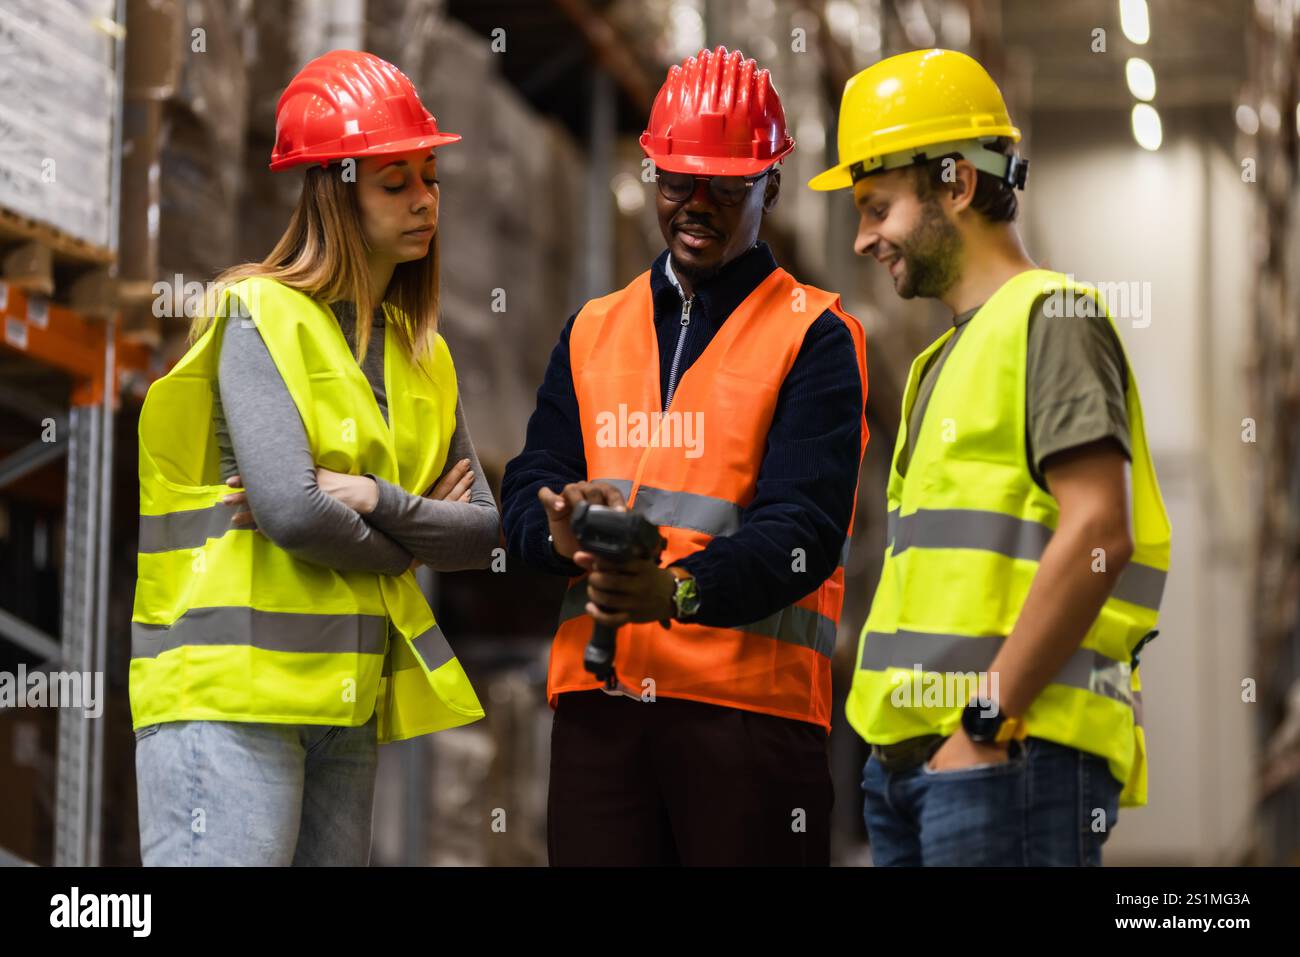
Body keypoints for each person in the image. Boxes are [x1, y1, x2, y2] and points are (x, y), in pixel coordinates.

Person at [501, 45, 869, 866]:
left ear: (770, 183)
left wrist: (677, 587)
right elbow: (528, 483)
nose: (695, 205)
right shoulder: (593, 327)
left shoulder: (814, 336)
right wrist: (554, 529)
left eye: (725, 185)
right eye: (676, 182)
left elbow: (804, 527)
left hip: (750, 726)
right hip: (601, 716)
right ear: (650, 173)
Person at [130, 49, 498, 866]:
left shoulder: (422, 354)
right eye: (393, 181)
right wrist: (409, 533)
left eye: (430, 177)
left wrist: (366, 495)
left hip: (345, 705)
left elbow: (482, 535)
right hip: (227, 702)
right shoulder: (257, 312)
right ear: (336, 190)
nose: (424, 200)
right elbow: (294, 512)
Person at [809, 48, 1172, 866]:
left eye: (878, 208)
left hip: (1009, 754)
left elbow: (1098, 531)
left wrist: (986, 719)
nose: (865, 239)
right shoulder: (941, 361)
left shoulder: (1053, 317)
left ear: (957, 183)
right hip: (915, 764)